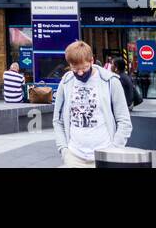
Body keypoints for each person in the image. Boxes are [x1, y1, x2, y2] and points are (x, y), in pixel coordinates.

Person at [52, 40, 132, 168]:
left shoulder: (111, 82)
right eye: (75, 69)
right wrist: (64, 150)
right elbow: (57, 120)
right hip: (73, 157)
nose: (80, 73)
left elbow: (124, 120)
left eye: (84, 68)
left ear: (92, 61)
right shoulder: (66, 82)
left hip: (105, 155)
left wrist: (114, 149)